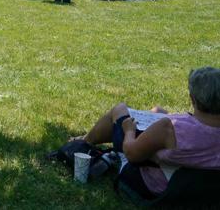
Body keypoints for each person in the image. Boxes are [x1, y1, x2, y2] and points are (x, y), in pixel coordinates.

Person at [77, 67, 220, 203]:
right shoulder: (175, 127)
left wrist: (129, 131)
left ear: (193, 98)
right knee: (157, 111)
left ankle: (85, 142)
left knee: (120, 110)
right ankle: (87, 140)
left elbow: (132, 154)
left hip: (155, 188)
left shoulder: (170, 128)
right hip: (205, 191)